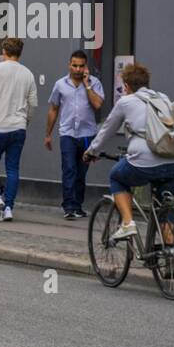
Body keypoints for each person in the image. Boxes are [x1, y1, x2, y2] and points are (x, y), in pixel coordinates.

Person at [83, 63, 174, 243]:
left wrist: (92, 151)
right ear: (147, 83)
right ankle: (170, 251)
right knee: (164, 203)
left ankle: (127, 223)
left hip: (144, 162)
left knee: (117, 176)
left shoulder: (125, 102)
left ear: (126, 86)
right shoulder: (163, 98)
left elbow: (106, 130)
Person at [0, 37, 38, 221]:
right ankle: (9, 208)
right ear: (20, 53)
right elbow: (33, 104)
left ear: (4, 51)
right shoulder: (28, 73)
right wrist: (25, 122)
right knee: (13, 168)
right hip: (19, 127)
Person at [45, 49, 105, 219]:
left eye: (81, 66)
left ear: (86, 66)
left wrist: (87, 86)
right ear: (69, 65)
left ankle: (78, 206)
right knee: (69, 169)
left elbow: (98, 105)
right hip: (67, 134)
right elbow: (53, 109)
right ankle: (69, 206)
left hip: (87, 135)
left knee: (81, 172)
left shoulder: (95, 83)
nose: (78, 69)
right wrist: (48, 134)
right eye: (74, 66)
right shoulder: (60, 85)